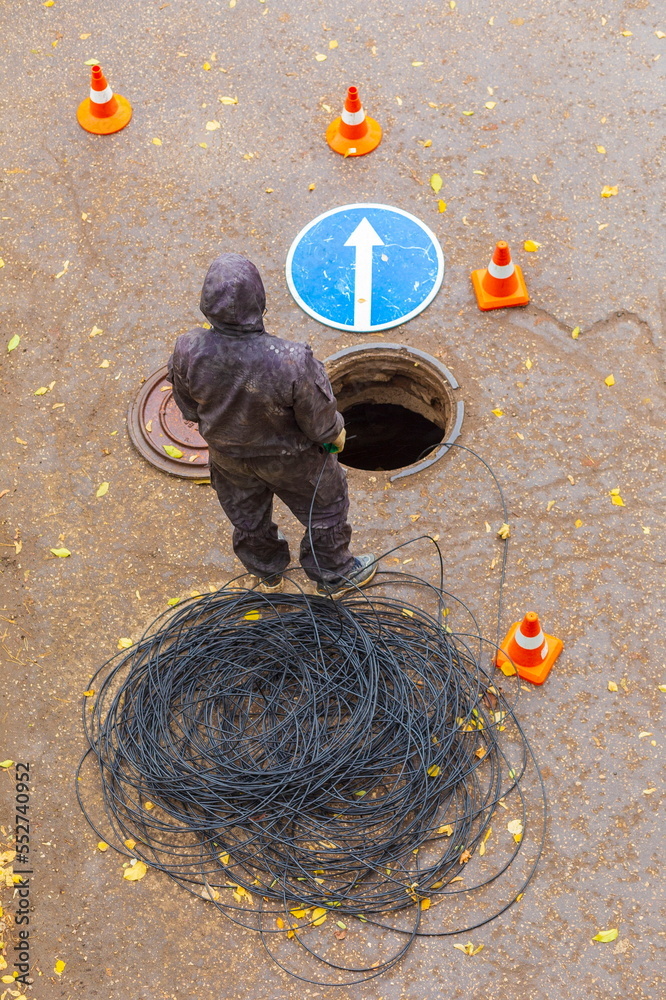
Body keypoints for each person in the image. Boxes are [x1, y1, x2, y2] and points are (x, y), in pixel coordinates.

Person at [166, 252, 377, 596]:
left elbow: (187, 407)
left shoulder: (188, 348)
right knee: (326, 509)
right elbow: (320, 424)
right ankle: (333, 574)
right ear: (259, 301)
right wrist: (335, 435)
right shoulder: (290, 360)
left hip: (229, 457)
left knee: (247, 516)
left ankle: (267, 573)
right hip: (292, 460)